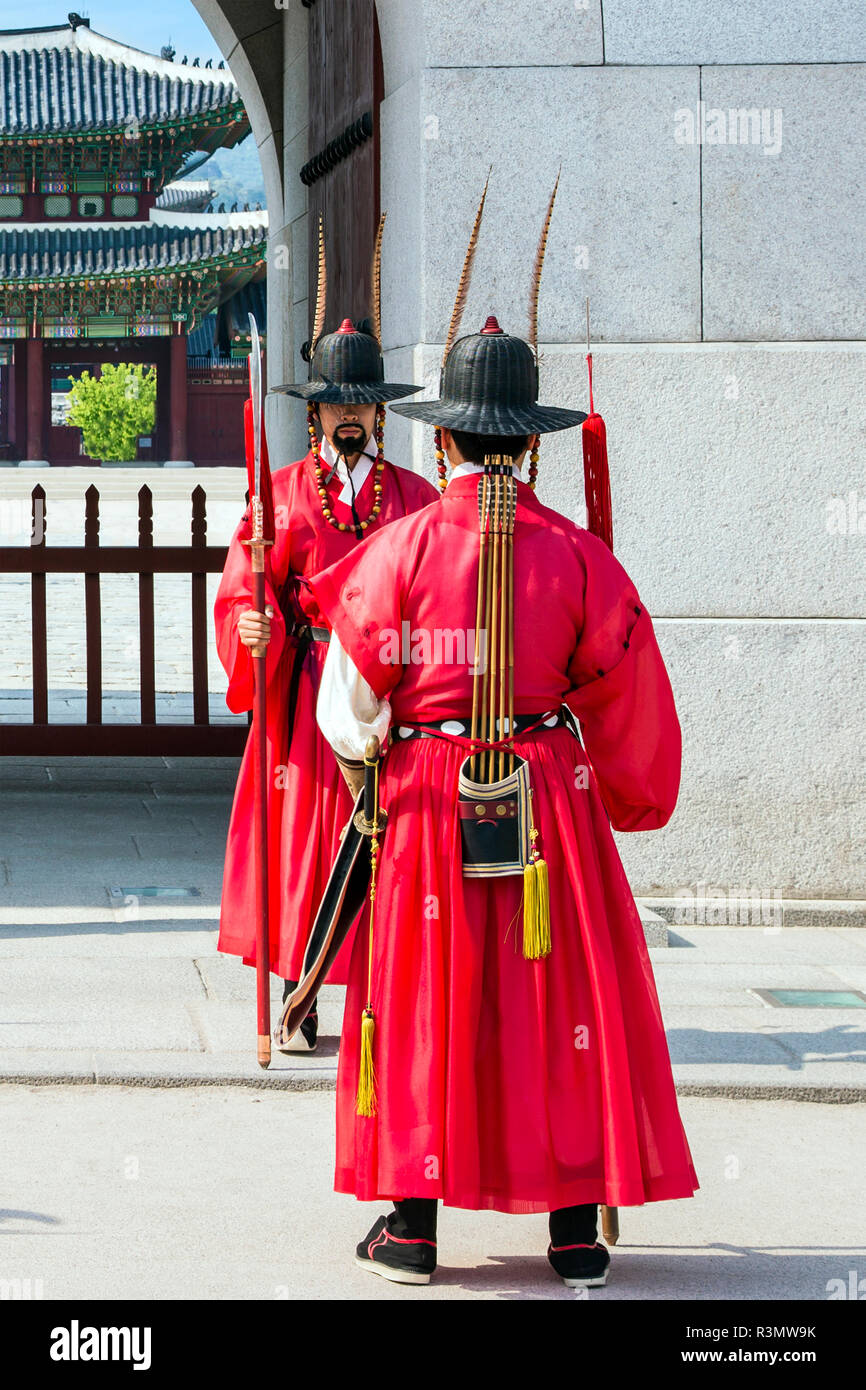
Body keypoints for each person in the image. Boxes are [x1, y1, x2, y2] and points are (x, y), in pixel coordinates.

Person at [308, 191, 698, 1286]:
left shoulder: (396, 550)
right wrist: (622, 794)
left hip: (433, 794)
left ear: (440, 438)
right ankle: (573, 1231)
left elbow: (348, 700)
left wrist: (374, 777)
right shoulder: (574, 557)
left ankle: (412, 1228)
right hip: (546, 800)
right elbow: (625, 690)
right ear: (528, 445)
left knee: (427, 999)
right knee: (560, 1004)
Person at [215, 227, 437, 1053]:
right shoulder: (279, 497)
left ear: (381, 412)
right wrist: (251, 619)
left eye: (363, 405)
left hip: (391, 698)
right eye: (337, 405)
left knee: (390, 845)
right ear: (316, 413)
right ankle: (300, 989)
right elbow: (247, 576)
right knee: (308, 837)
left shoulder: (414, 495)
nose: (350, 417)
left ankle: (386, 987)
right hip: (312, 692)